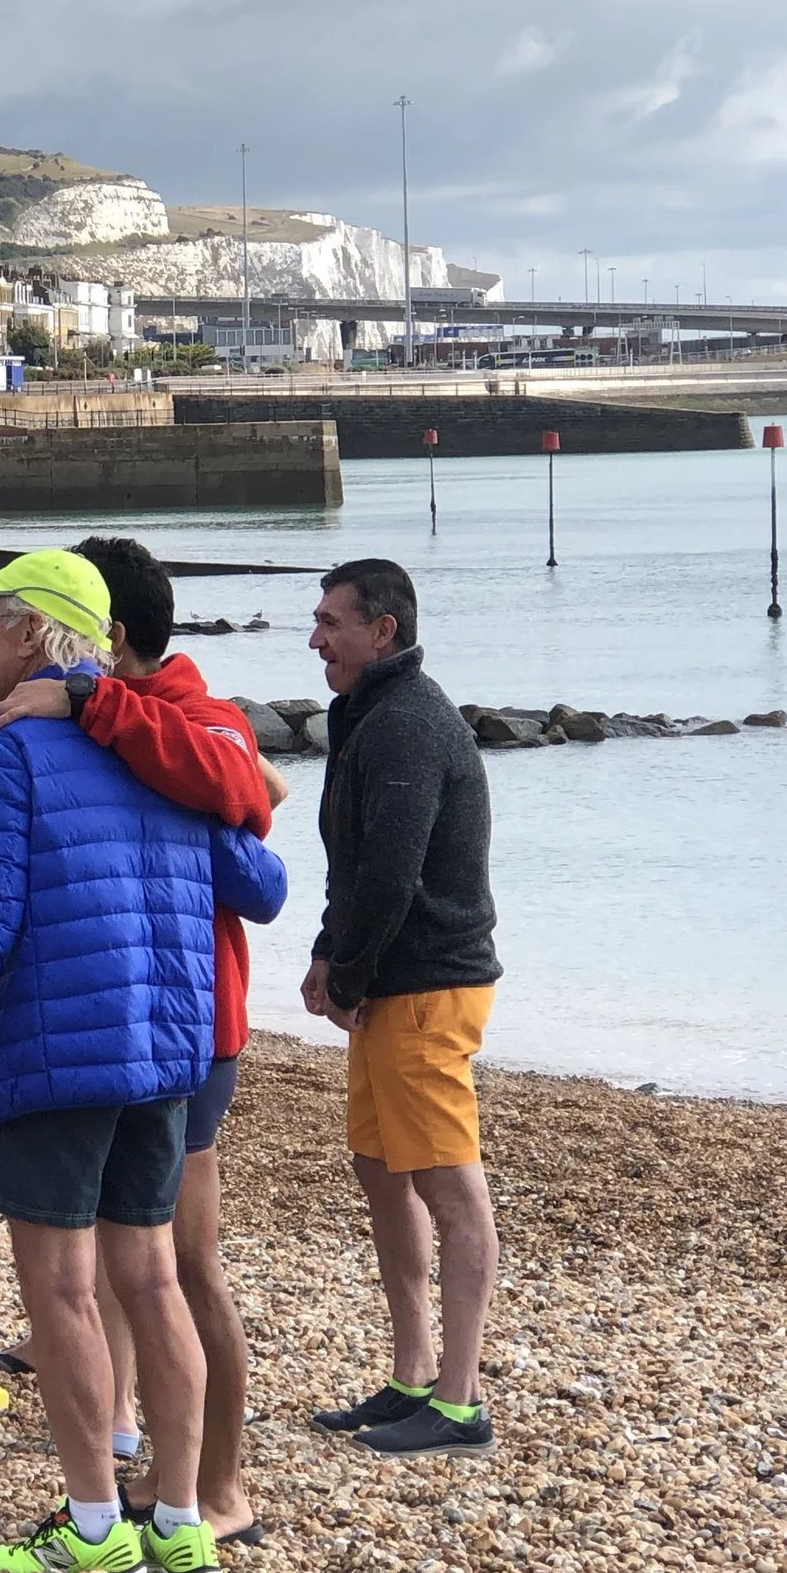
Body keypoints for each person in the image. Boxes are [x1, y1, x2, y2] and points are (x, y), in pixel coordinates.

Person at [0, 549, 285, 1573]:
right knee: (151, 1280)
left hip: (57, 1053)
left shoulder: (5, 753)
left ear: (31, 634)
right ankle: (186, 1527)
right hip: (167, 1049)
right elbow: (260, 878)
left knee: (61, 1290)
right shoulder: (161, 748)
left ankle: (95, 1520)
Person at [0, 535, 289, 1539]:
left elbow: (254, 807)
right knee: (120, 1264)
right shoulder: (105, 722)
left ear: (104, 636)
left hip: (186, 1024)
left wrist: (89, 704)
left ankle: (213, 1490)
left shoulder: (184, 715)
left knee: (178, 1267)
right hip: (124, 1016)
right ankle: (123, 1452)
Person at [302, 558, 502, 1458]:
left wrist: (347, 971)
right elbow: (355, 863)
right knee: (381, 1170)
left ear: (382, 630)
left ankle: (459, 1403)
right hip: (387, 981)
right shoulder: (366, 715)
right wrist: (324, 951)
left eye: (331, 623)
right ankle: (414, 1372)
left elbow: (395, 871)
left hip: (427, 983)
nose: (316, 639)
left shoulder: (412, 722)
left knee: (448, 1182)